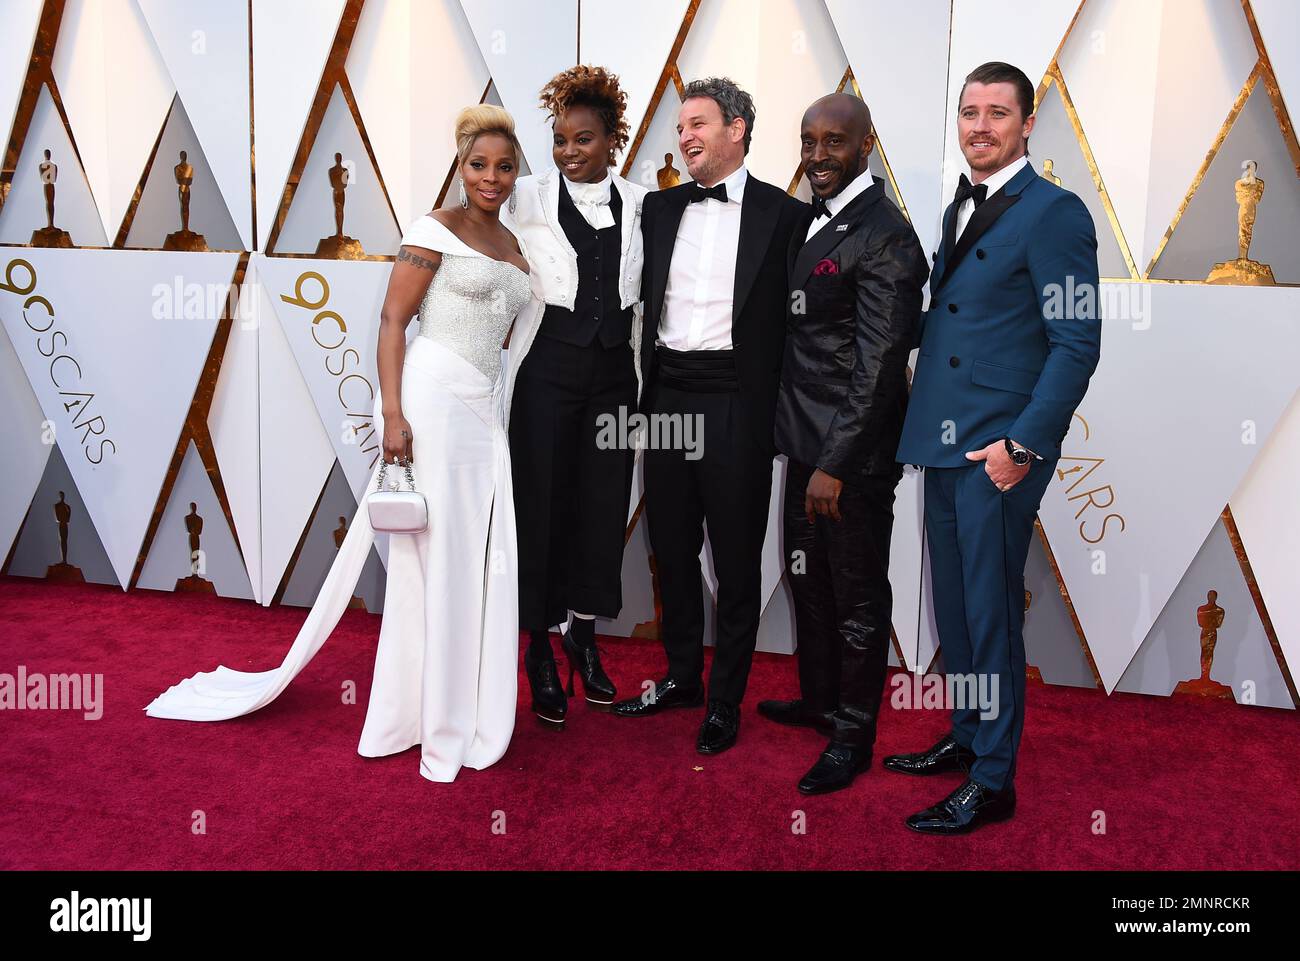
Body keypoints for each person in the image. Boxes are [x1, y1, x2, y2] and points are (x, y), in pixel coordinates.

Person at [145, 105, 535, 783]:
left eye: (504, 166)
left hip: (484, 415)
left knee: (477, 559)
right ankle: (428, 720)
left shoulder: (514, 245)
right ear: (460, 163)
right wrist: (392, 412)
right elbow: (391, 320)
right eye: (479, 164)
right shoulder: (432, 230)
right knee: (435, 558)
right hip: (433, 401)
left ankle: (462, 705)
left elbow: (508, 334)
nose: (492, 178)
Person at [890, 62, 1100, 832]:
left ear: (1026, 124)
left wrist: (1023, 444)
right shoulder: (960, 203)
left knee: (990, 609)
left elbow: (1077, 342)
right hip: (944, 440)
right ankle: (970, 734)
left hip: (998, 452)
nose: (980, 126)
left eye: (997, 114)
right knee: (956, 606)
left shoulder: (1056, 212)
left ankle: (995, 778)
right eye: (969, 112)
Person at [610, 78, 805, 755]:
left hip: (737, 403)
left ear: (738, 128)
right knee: (669, 546)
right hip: (666, 397)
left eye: (698, 123)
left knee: (736, 560)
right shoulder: (658, 210)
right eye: (680, 126)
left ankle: (726, 699)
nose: (685, 136)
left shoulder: (785, 216)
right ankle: (682, 677)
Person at [762, 93, 927, 794]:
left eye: (834, 142)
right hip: (803, 442)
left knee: (857, 598)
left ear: (866, 147)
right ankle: (821, 701)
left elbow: (881, 363)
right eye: (808, 140)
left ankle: (853, 736)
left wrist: (833, 463)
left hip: (848, 457)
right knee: (808, 580)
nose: (817, 155)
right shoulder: (813, 220)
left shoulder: (887, 235)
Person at [503, 65, 647, 726]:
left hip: (616, 377)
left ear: (612, 138)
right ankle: (537, 645)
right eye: (560, 139)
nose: (567, 151)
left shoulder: (643, 204)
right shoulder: (523, 197)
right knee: (540, 509)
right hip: (547, 371)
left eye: (582, 139)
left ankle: (581, 636)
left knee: (601, 508)